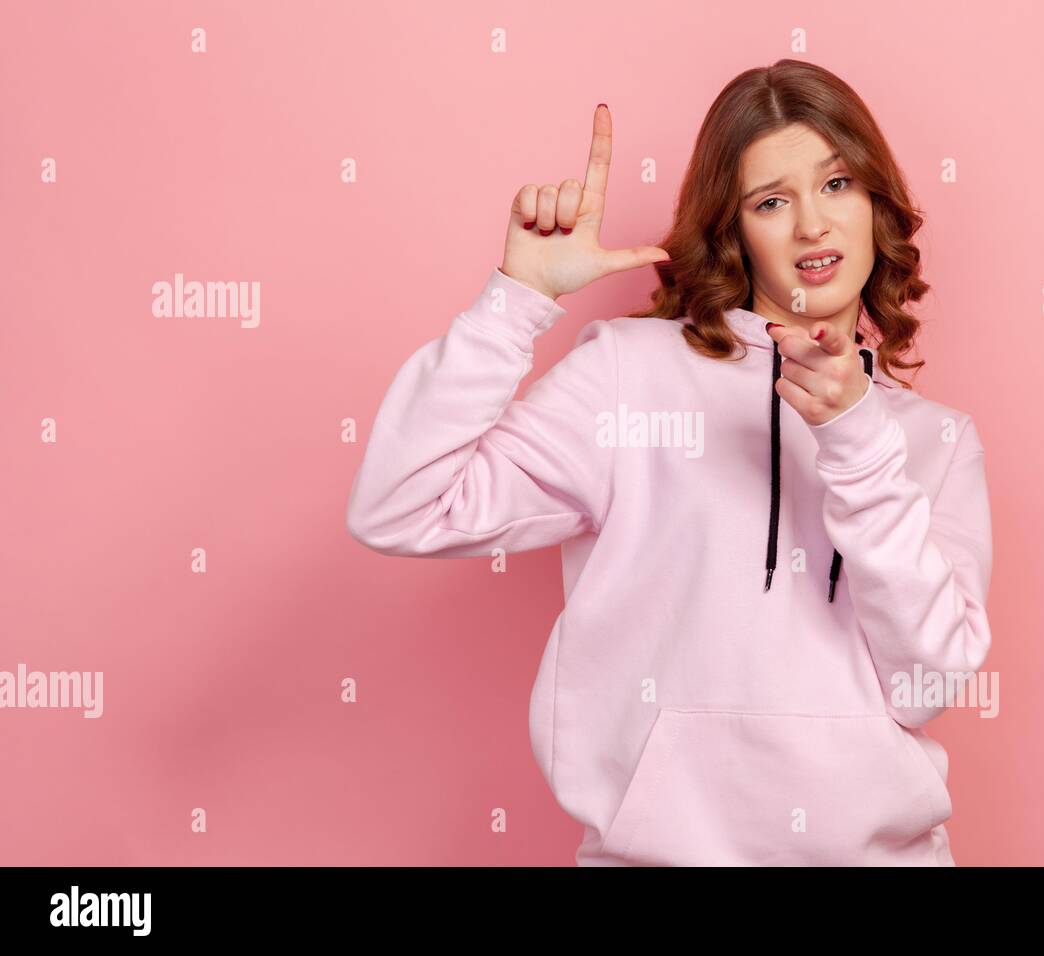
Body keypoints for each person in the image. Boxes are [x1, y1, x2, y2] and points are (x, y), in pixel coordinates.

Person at [346, 59, 993, 866]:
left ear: (876, 204)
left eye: (837, 186)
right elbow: (400, 506)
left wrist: (858, 443)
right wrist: (515, 300)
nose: (812, 228)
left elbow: (928, 685)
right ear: (734, 228)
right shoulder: (631, 375)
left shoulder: (935, 439)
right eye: (771, 201)